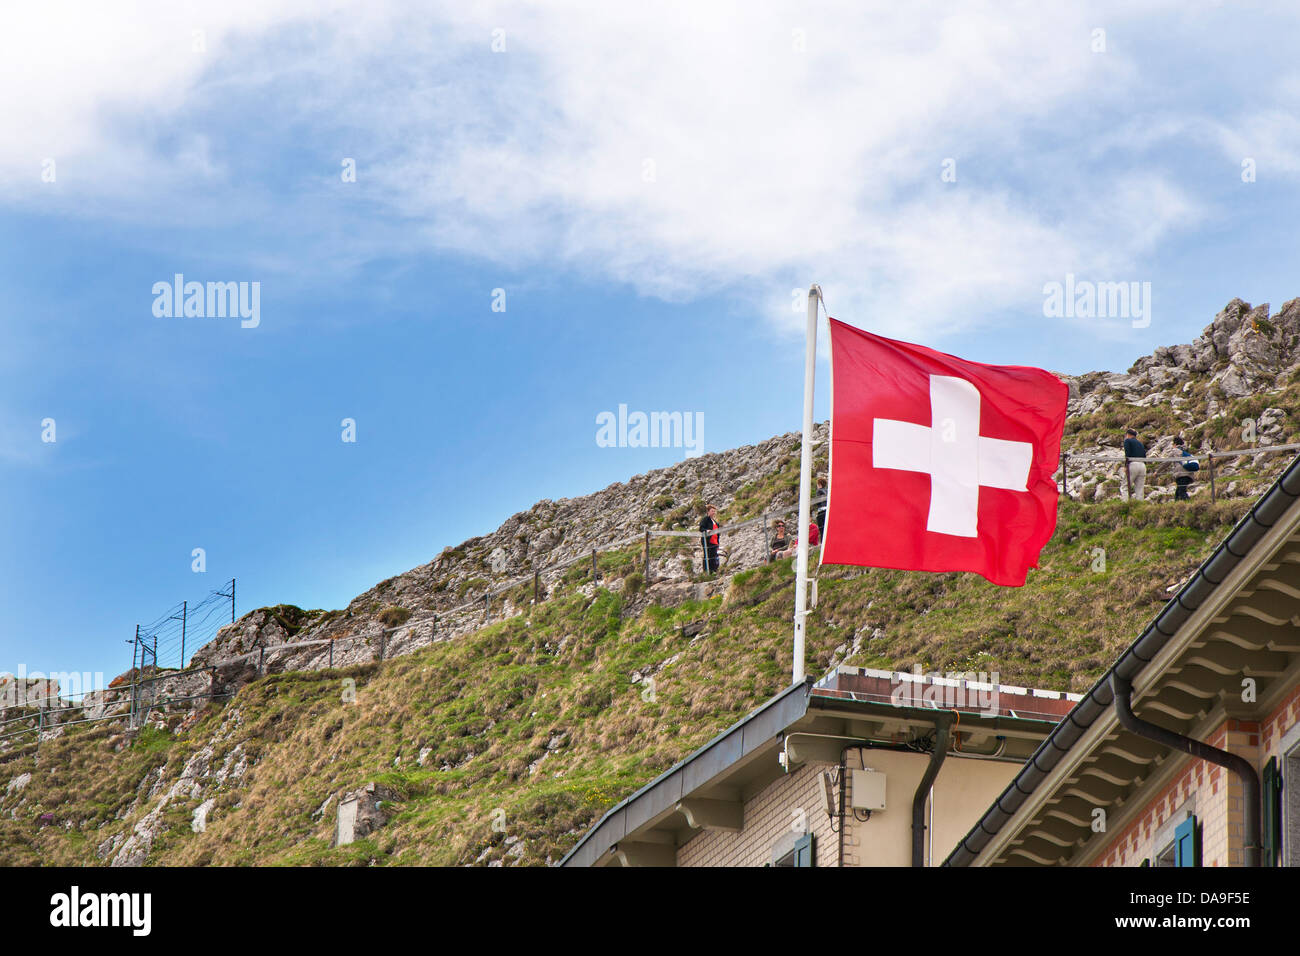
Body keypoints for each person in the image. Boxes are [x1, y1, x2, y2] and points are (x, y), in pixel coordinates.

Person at [1122, 428, 1146, 501]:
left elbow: (1127, 454)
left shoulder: (1127, 441)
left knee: (1125, 486)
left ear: (1128, 435)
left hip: (1133, 464)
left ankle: (1126, 504)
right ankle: (1140, 506)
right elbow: (1144, 455)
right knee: (1140, 488)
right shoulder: (1140, 443)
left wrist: (1126, 466)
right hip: (1142, 465)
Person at [1173, 436, 1199, 500]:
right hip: (1189, 474)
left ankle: (1189, 504)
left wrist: (1157, 471)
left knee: (1181, 492)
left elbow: (1166, 462)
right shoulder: (1185, 451)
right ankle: (1179, 506)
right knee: (1178, 493)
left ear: (1175, 444)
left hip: (1181, 474)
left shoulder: (1174, 451)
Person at [699, 505, 721, 573]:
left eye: (714, 511)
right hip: (708, 541)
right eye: (712, 511)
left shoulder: (714, 521)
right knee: (708, 556)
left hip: (714, 542)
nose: (714, 512)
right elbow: (701, 528)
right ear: (708, 512)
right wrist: (706, 530)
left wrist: (718, 542)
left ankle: (714, 570)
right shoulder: (706, 519)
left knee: (714, 557)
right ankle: (707, 571)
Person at [815, 476, 828, 541]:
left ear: (819, 484)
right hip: (827, 510)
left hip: (821, 511)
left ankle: (823, 541)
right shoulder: (827, 490)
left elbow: (817, 502)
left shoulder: (819, 491)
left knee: (822, 529)